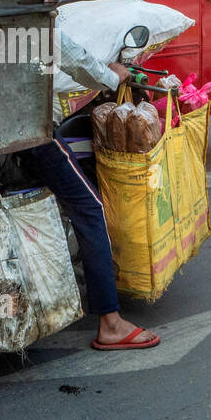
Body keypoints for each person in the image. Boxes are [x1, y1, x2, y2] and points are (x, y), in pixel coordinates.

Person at [16, 24, 161, 351]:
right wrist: (113, 77)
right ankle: (110, 322)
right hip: (27, 130)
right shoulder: (25, 5)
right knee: (90, 208)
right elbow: (72, 56)